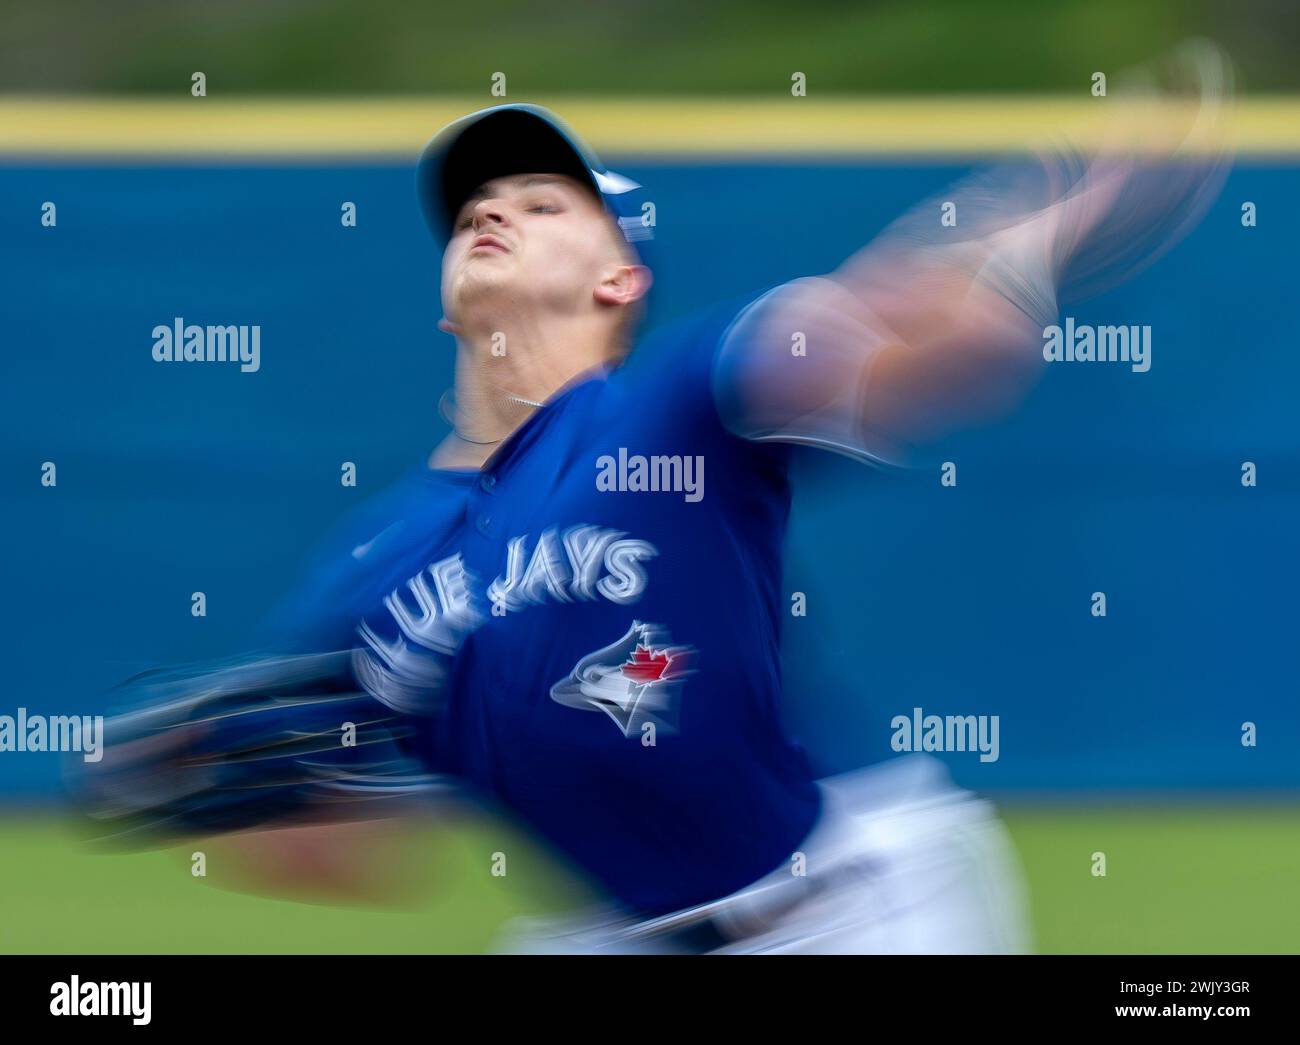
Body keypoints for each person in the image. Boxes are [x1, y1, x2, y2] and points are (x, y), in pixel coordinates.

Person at [81, 44, 1230, 953]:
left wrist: (1014, 247)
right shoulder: (372, 561)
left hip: (848, 908)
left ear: (616, 276)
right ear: (445, 301)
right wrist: (205, 785)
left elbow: (879, 339)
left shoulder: (680, 395)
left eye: (543, 203)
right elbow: (366, 854)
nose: (495, 208)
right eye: (478, 204)